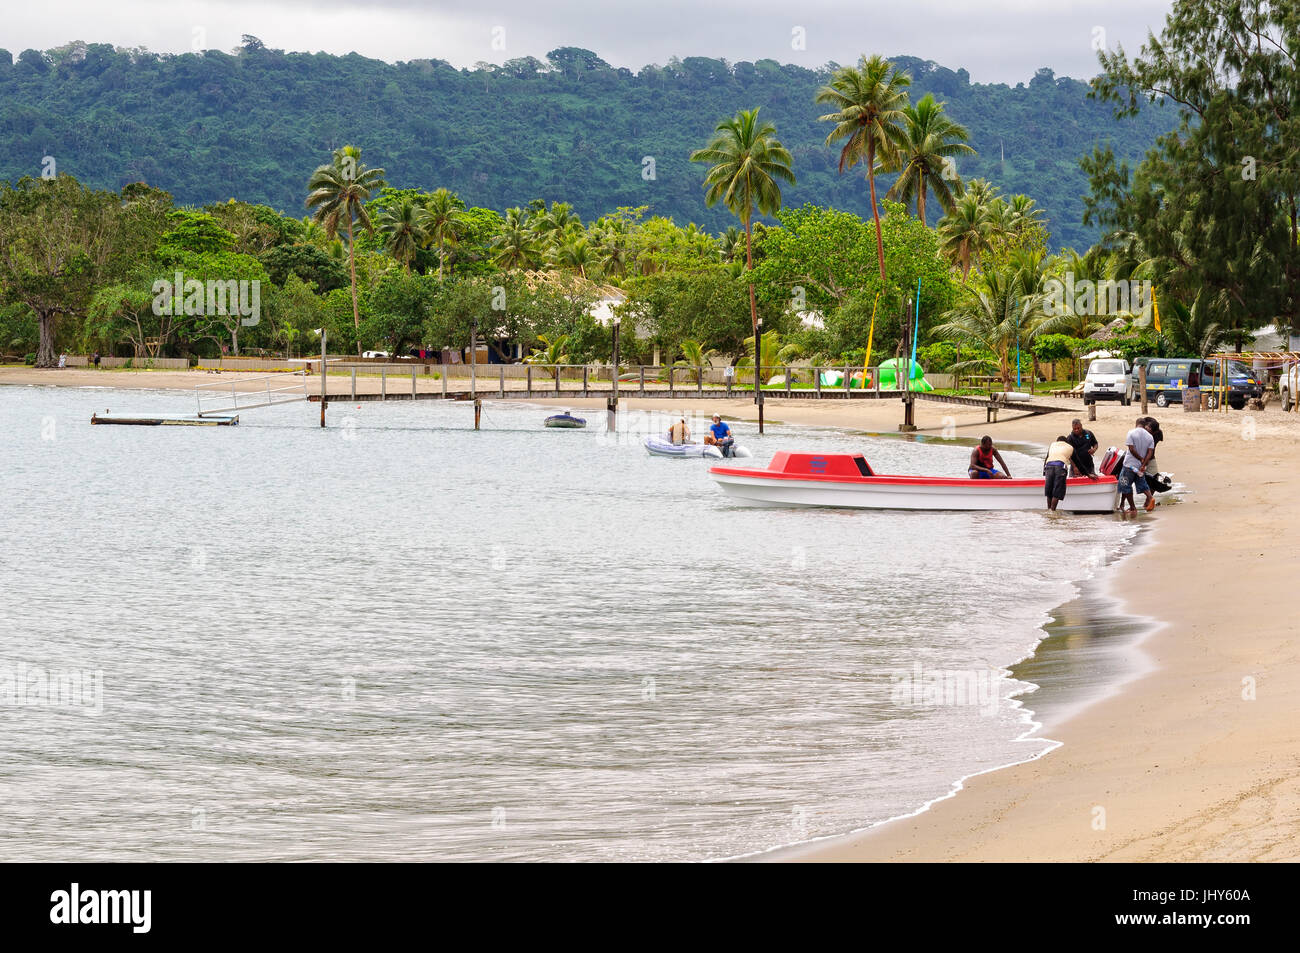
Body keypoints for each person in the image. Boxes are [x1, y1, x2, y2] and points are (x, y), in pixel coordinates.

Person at [1118, 418, 1157, 513]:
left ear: (1136, 424)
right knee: (1142, 484)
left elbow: (1131, 449)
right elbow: (1150, 453)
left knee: (1125, 484)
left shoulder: (1131, 433)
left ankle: (1132, 507)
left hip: (1129, 465)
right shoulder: (1150, 437)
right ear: (1144, 425)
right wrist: (1143, 464)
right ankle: (1150, 498)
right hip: (1140, 467)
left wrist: (1140, 458)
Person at [1043, 436, 1074, 510]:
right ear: (1065, 442)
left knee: (1049, 492)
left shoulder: (1052, 445)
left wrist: (1044, 472)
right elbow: (1076, 460)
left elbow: (1046, 458)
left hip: (1048, 466)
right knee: (1057, 491)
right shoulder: (1069, 447)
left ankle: (1049, 511)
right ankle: (1053, 512)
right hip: (1060, 467)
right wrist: (1087, 474)